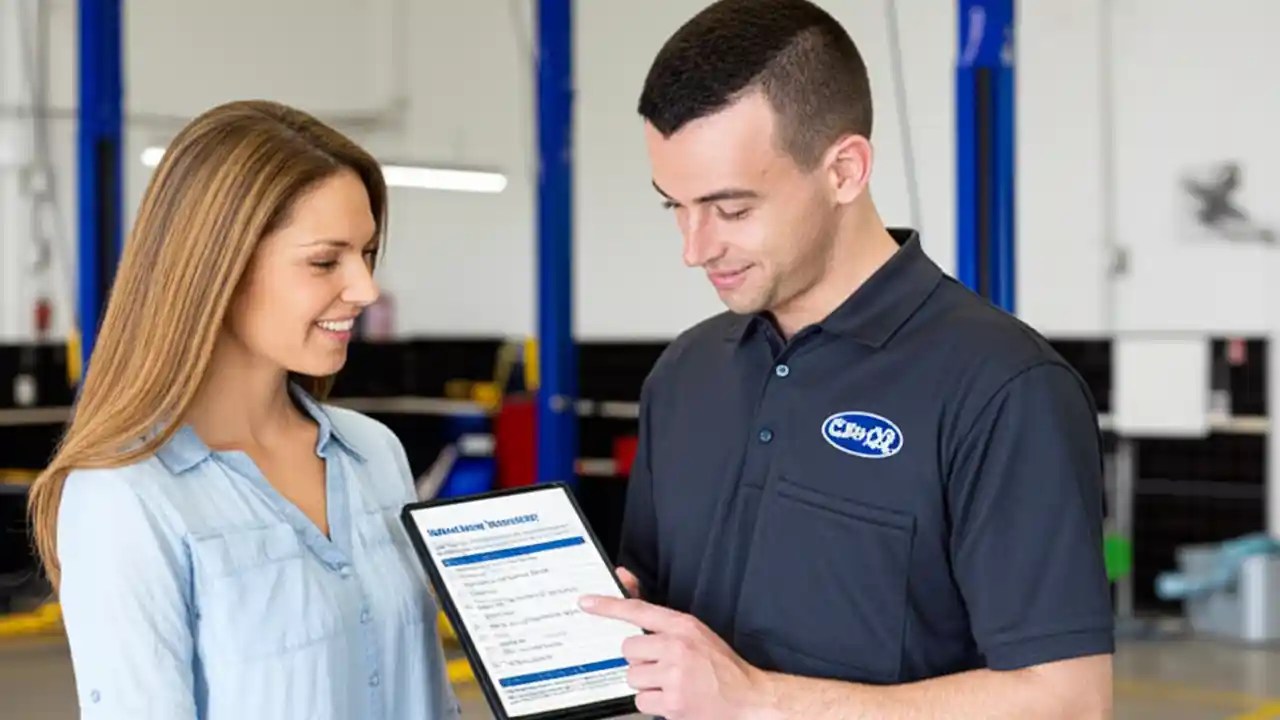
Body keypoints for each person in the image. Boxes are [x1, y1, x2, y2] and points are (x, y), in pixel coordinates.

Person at [578, 1, 1115, 718]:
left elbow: (1069, 701)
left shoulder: (1003, 388)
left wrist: (759, 700)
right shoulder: (684, 374)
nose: (694, 248)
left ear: (845, 170)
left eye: (731, 210)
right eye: (673, 206)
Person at [27, 100, 461, 720]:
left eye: (366, 255)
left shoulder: (374, 453)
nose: (366, 289)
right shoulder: (125, 495)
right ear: (218, 268)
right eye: (324, 261)